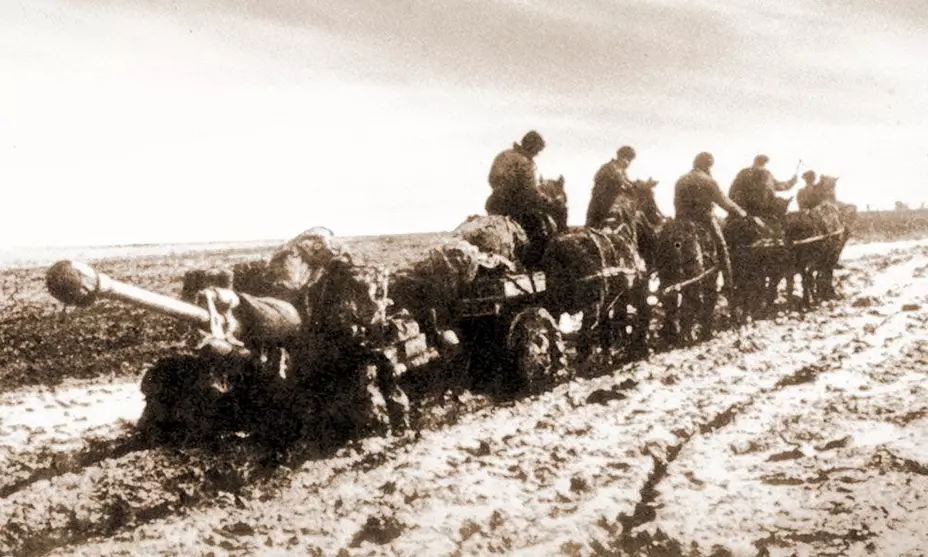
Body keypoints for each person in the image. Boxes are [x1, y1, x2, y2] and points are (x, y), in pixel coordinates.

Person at [674, 152, 752, 297]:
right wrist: (743, 213)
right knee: (722, 246)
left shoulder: (681, 179)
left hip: (679, 221)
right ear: (707, 165)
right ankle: (729, 283)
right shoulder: (708, 180)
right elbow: (724, 202)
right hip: (703, 220)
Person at [486, 130, 562, 266]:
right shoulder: (525, 162)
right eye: (537, 150)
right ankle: (530, 268)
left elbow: (491, 179)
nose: (537, 154)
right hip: (516, 207)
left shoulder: (503, 155)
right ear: (532, 146)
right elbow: (531, 192)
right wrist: (550, 202)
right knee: (541, 236)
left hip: (494, 203)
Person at [729, 154, 797, 221]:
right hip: (762, 211)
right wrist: (792, 181)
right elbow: (781, 186)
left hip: (744, 209)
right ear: (764, 163)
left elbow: (732, 191)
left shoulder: (744, 172)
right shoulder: (766, 174)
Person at [585, 145, 638, 229]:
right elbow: (622, 181)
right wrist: (628, 185)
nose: (628, 163)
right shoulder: (609, 167)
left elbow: (628, 182)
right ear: (621, 157)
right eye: (628, 160)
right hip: (602, 205)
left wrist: (639, 184)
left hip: (611, 204)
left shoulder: (621, 171)